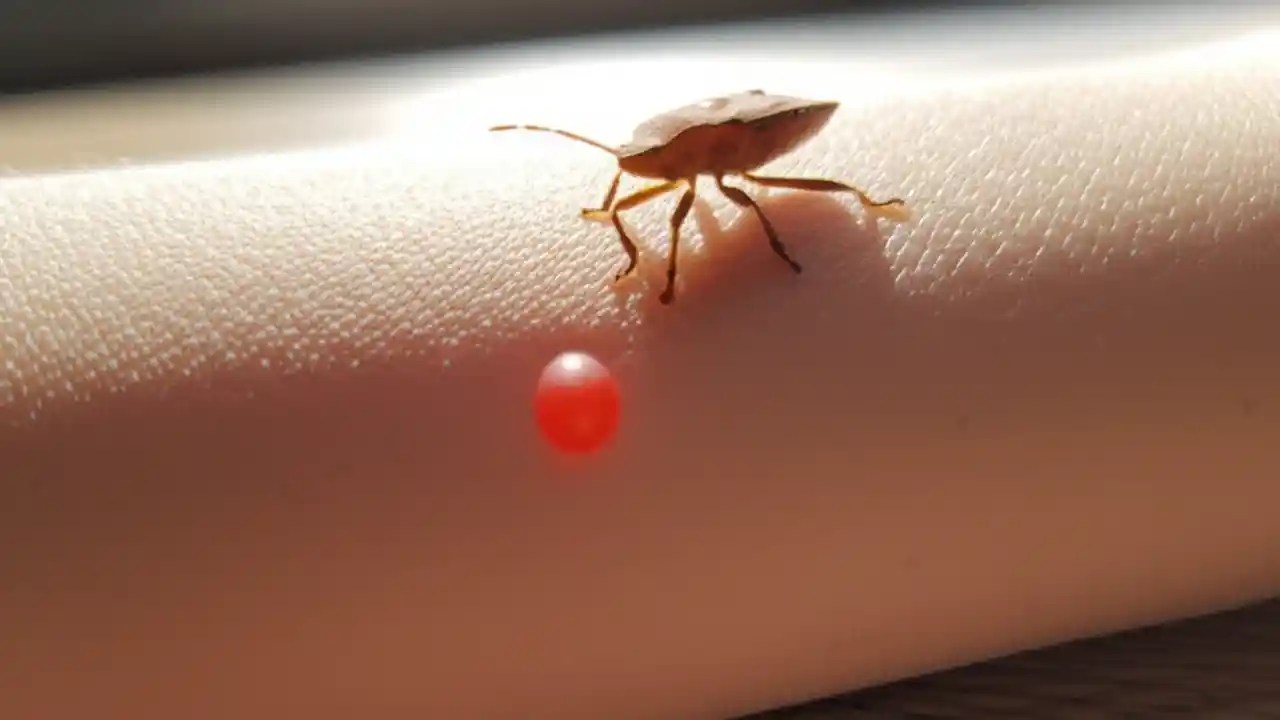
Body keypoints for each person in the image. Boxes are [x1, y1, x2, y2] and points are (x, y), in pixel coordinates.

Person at [2, 19, 1278, 720]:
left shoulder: (715, 173)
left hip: (778, 143)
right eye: (638, 173)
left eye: (644, 174)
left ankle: (868, 200)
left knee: (767, 214)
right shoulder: (658, 170)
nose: (638, 186)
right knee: (682, 223)